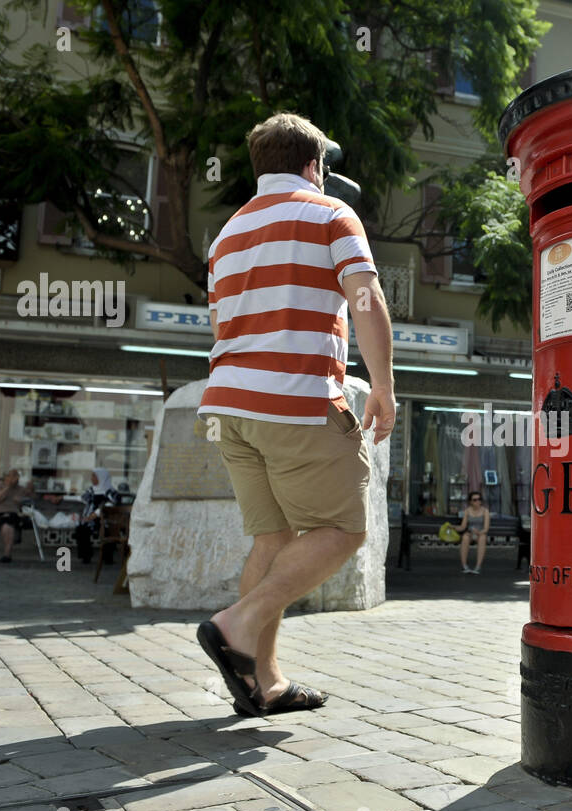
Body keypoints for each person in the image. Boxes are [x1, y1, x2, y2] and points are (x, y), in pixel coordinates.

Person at [195, 113, 395, 718]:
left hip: (230, 407)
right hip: (299, 402)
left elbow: (221, 327)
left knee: (273, 537)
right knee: (345, 530)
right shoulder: (331, 213)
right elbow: (365, 297)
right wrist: (383, 386)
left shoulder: (224, 237)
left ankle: (264, 680)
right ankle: (237, 625)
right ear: (315, 166)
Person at [75, 468, 121, 565]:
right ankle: (85, 556)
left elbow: (113, 503)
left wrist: (95, 514)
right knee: (81, 528)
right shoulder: (91, 490)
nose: (92, 478)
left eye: (94, 476)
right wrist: (61, 497)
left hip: (106, 520)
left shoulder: (110, 491)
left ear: (101, 477)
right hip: (91, 521)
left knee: (108, 530)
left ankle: (108, 558)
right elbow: (81, 498)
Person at [457, 491, 490, 575]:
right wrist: (454, 527)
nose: (477, 501)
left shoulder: (485, 511)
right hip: (470, 533)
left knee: (482, 538)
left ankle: (478, 566)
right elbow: (463, 526)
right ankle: (464, 565)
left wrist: (478, 532)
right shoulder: (467, 511)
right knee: (465, 537)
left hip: (480, 533)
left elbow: (486, 528)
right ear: (470, 501)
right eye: (475, 500)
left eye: (479, 499)